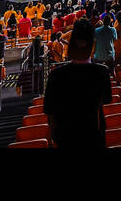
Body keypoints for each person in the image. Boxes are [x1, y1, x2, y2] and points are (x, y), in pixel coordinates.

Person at [42, 18, 112, 148]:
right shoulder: (102, 72)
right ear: (92, 45)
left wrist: (55, 138)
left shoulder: (56, 76)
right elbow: (105, 100)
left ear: (71, 46)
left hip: (66, 139)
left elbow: (50, 113)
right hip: (93, 138)